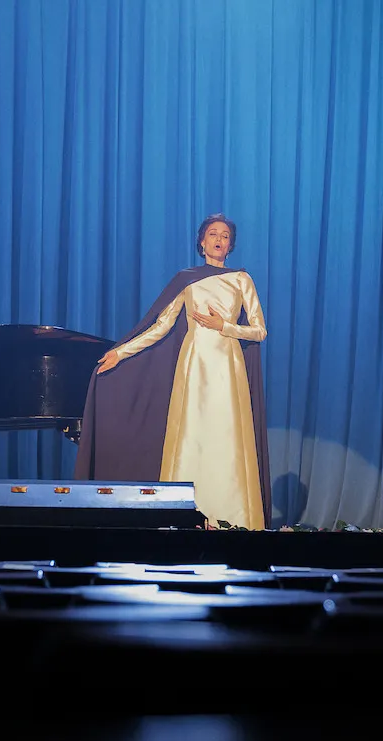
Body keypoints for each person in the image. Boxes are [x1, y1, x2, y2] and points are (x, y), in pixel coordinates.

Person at [73, 213, 271, 530]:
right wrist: (119, 352)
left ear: (230, 245)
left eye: (225, 236)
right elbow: (160, 327)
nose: (219, 239)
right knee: (191, 436)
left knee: (227, 439)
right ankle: (183, 517)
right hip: (193, 366)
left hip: (227, 367)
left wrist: (225, 326)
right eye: (213, 234)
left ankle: (235, 518)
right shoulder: (186, 279)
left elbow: (259, 331)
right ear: (202, 242)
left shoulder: (241, 280)